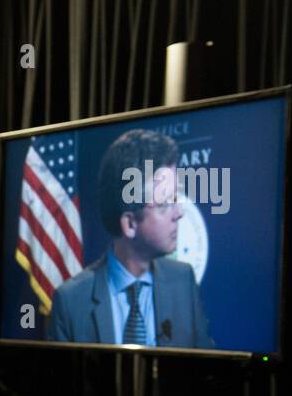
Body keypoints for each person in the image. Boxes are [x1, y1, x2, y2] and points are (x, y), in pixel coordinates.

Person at [47, 128, 215, 348]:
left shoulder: (183, 281)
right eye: (166, 203)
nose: (179, 213)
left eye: (177, 198)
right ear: (130, 224)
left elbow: (203, 373)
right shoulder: (70, 301)